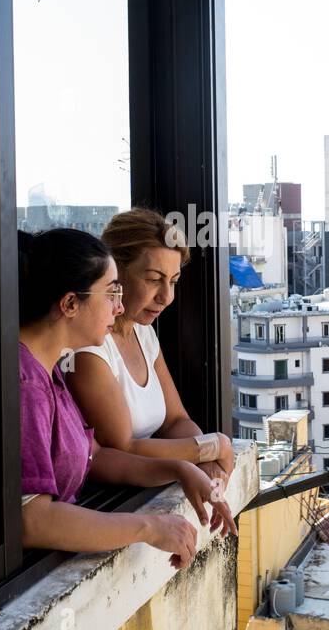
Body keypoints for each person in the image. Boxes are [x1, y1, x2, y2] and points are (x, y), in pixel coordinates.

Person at [17, 228, 236, 569]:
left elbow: (95, 456)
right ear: (70, 303)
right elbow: (32, 520)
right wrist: (148, 527)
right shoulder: (26, 382)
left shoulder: (47, 369)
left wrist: (180, 468)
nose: (119, 308)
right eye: (110, 293)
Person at [68, 209, 235, 492]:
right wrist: (207, 448)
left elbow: (176, 420)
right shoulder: (88, 347)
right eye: (154, 279)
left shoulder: (143, 332)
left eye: (173, 281)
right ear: (115, 272)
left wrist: (207, 459)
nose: (166, 297)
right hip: (115, 504)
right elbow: (123, 448)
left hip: (150, 489)